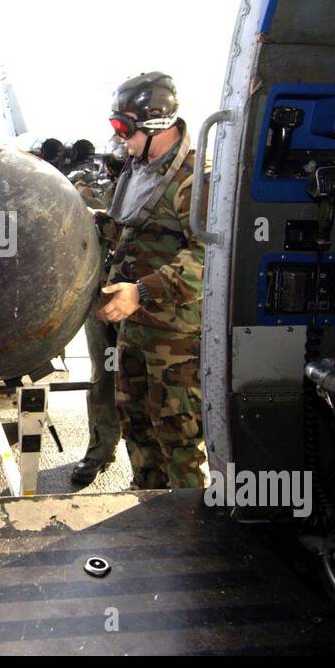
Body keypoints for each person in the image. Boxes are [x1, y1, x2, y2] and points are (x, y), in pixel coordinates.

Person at [96, 72, 205, 489]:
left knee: (177, 436)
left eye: (124, 127)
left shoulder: (194, 179)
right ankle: (147, 504)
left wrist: (142, 291)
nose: (119, 137)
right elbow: (126, 230)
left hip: (175, 337)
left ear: (156, 122)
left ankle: (189, 527)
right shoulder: (139, 170)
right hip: (135, 326)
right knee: (136, 422)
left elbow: (205, 256)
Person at [70, 142, 126, 485]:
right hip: (103, 305)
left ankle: (150, 459)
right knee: (105, 374)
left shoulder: (152, 191)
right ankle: (100, 450)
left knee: (146, 383)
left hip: (145, 308)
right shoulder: (94, 190)